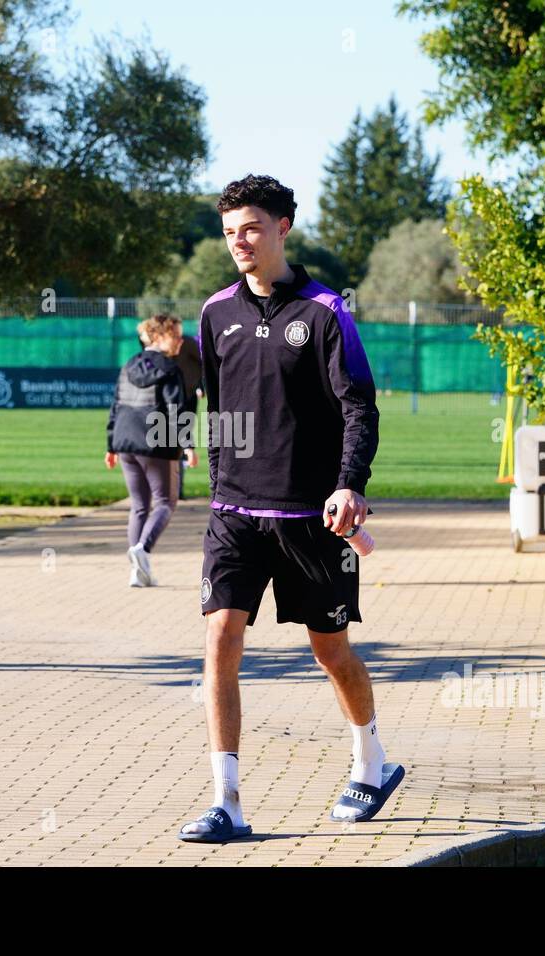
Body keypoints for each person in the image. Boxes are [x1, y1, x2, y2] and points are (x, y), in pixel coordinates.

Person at [178, 174, 400, 843]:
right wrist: (221, 478)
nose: (239, 242)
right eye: (228, 233)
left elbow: (359, 404)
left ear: (282, 227)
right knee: (220, 638)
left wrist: (349, 484)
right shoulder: (215, 314)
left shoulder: (327, 310)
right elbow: (219, 405)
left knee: (330, 652)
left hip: (312, 517)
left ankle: (372, 761)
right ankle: (228, 802)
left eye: (250, 228)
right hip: (234, 514)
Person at [105, 314, 198, 586]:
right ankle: (142, 549)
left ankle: (137, 571)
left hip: (124, 440)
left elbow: (116, 405)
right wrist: (188, 444)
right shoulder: (170, 368)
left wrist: (110, 444)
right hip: (156, 442)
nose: (181, 341)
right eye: (176, 335)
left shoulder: (128, 364)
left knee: (139, 506)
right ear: (158, 336)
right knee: (166, 502)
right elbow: (176, 410)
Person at [172, 331, 203, 501]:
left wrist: (200, 386)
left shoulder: (189, 343)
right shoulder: (160, 350)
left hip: (187, 394)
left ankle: (177, 489)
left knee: (181, 435)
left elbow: (201, 363)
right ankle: (173, 489)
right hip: (173, 396)